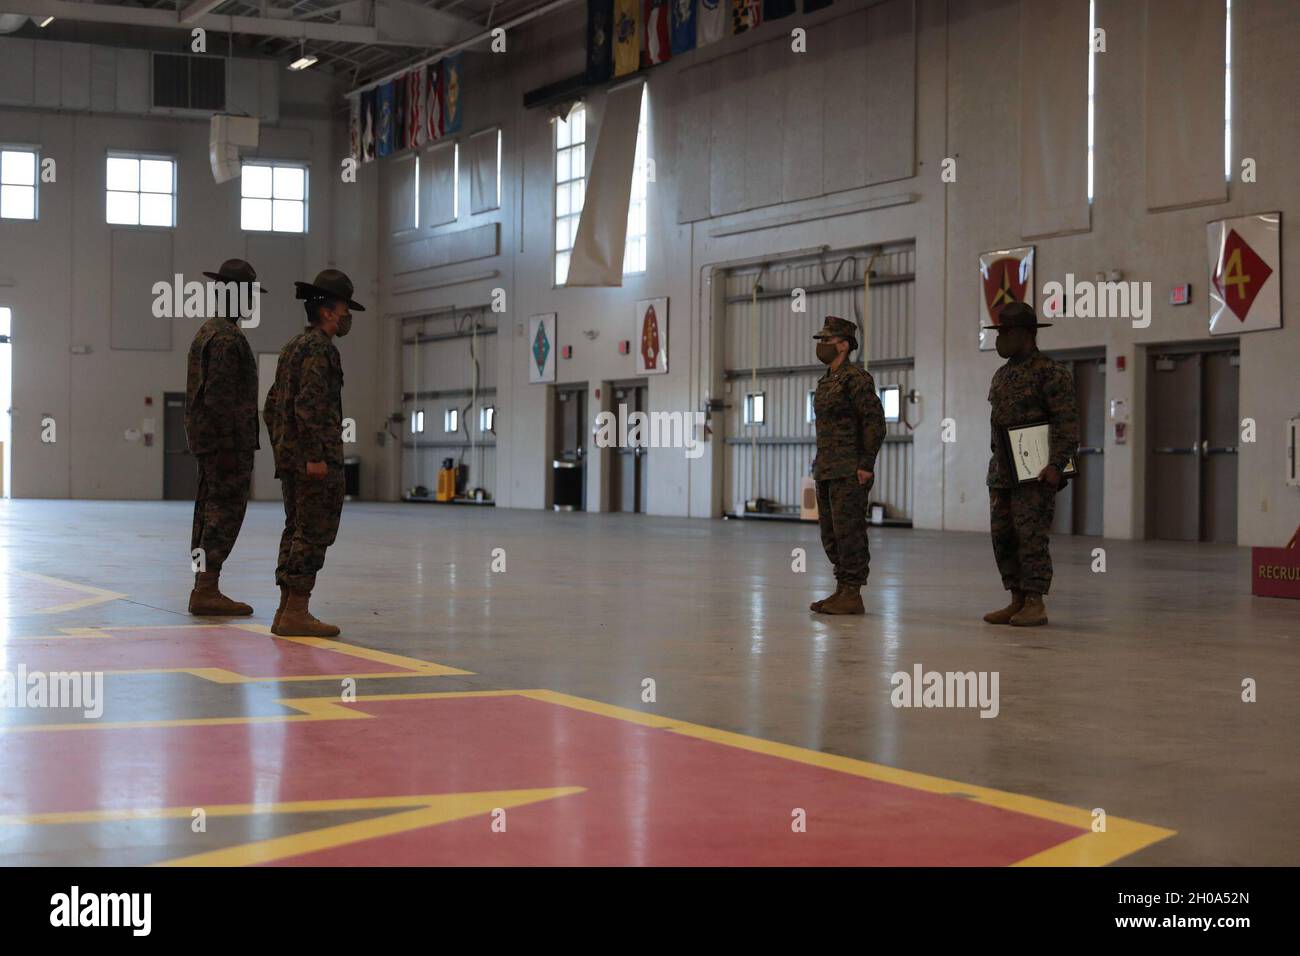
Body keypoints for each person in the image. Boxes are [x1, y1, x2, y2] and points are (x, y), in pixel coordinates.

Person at [264, 269, 364, 637]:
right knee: (313, 531)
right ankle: (296, 611)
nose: (347, 316)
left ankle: (285, 609)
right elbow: (310, 406)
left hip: (293, 459)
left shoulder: (292, 346)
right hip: (313, 461)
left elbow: (272, 404)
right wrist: (315, 455)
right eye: (343, 308)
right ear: (327, 312)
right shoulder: (321, 350)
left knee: (295, 528)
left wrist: (284, 449)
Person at [982, 301, 1079, 627]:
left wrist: (1057, 464)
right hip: (1002, 472)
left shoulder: (1051, 373)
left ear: (1027, 334)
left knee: (1031, 536)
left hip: (1035, 473)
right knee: (1003, 536)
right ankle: (1017, 598)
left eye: (1007, 332)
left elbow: (1066, 423)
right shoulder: (1002, 374)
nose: (1001, 339)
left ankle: (1035, 602)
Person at [184, 258, 264, 616]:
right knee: (223, 514)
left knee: (207, 511)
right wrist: (229, 446)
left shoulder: (206, 331)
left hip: (211, 443)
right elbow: (219, 398)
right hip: (226, 445)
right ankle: (207, 589)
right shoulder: (228, 339)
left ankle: (203, 586)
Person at [809, 316, 886, 615]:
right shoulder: (826, 380)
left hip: (849, 469)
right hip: (827, 468)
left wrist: (866, 464)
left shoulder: (856, 378)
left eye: (826, 341)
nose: (821, 346)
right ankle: (841, 589)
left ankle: (853, 592)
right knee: (830, 532)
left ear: (843, 345)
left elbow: (874, 423)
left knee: (849, 531)